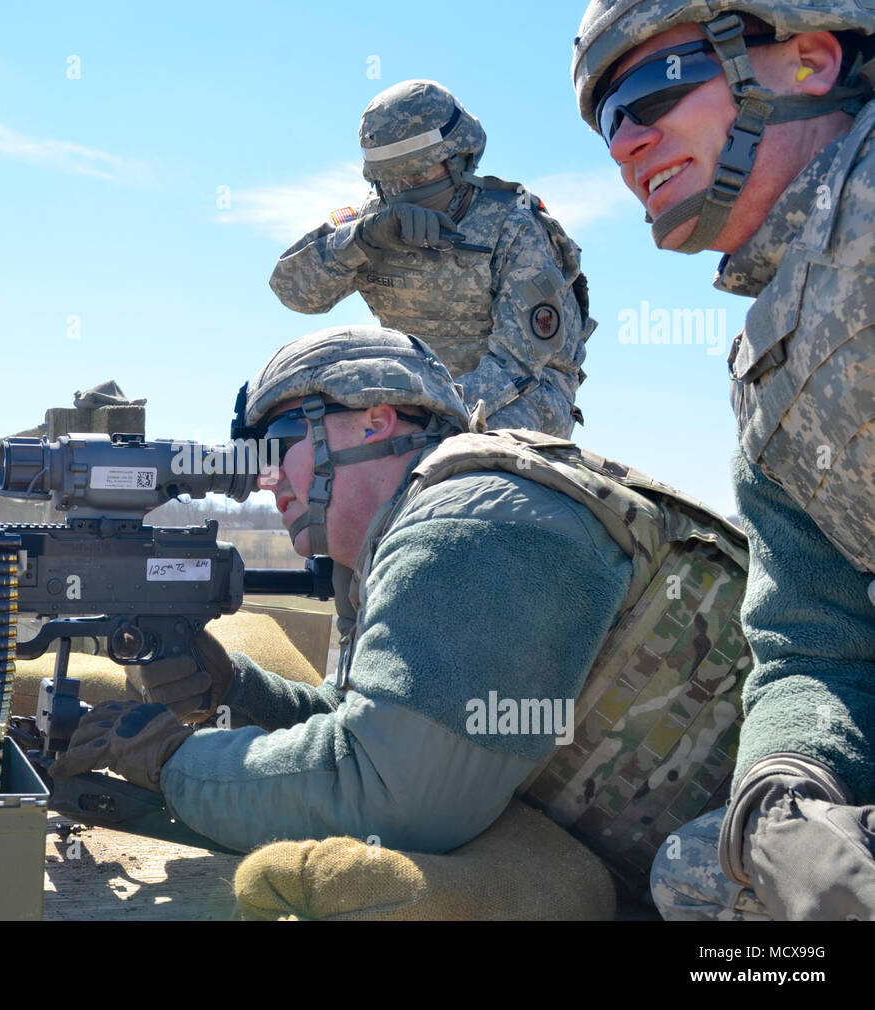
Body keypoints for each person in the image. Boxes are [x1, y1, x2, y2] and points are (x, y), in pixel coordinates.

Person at [51, 325, 751, 902]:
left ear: (376, 421)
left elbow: (387, 789)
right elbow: (361, 722)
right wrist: (234, 692)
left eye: (281, 441)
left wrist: (173, 763)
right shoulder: (397, 541)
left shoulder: (474, 522)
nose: (265, 480)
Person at [571, 0, 875, 920]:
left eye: (644, 93)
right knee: (706, 872)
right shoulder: (766, 370)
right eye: (606, 125)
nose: (623, 146)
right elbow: (812, 634)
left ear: (810, 60)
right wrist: (787, 796)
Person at [268, 81, 595, 438]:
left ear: (459, 161)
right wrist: (364, 239)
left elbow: (517, 364)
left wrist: (427, 415)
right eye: (392, 180)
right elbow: (293, 291)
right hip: (418, 395)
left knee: (475, 455)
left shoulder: (514, 226)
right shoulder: (373, 221)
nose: (404, 190)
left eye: (419, 174)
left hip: (522, 394)